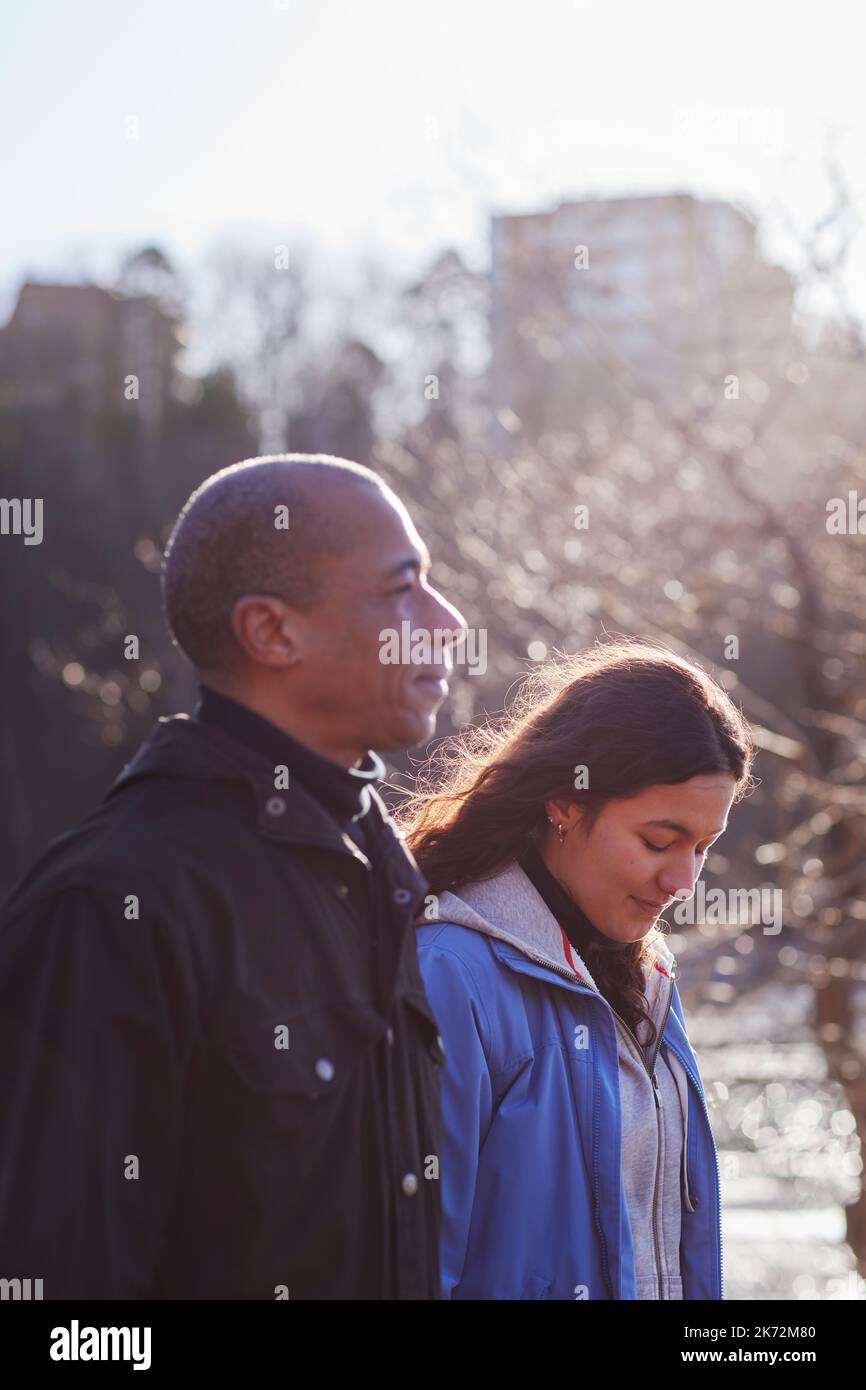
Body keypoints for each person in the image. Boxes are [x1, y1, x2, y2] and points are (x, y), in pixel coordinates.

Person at [0, 452, 466, 1300]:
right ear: (272, 632)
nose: (448, 621)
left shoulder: (375, 864)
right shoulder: (116, 904)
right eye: (403, 589)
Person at [401, 640, 756, 1300]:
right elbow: (408, 1270)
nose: (684, 879)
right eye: (659, 840)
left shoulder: (647, 979)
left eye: (704, 847)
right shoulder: (448, 976)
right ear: (565, 801)